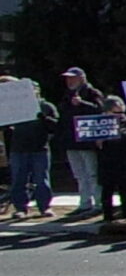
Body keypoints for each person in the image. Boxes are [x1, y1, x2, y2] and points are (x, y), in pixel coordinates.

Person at [3, 77, 58, 218]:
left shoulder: (46, 106)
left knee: (41, 180)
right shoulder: (14, 107)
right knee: (19, 180)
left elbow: (56, 126)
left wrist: (44, 118)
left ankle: (45, 207)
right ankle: (20, 208)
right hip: (18, 148)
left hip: (40, 148)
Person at [59, 66, 105, 214]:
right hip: (71, 140)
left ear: (82, 78)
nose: (69, 81)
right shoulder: (67, 95)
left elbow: (101, 110)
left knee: (92, 173)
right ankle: (84, 203)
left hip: (88, 141)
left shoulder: (92, 92)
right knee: (79, 175)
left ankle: (99, 202)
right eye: (68, 78)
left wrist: (82, 103)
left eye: (72, 78)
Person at [96, 95, 126, 223]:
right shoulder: (99, 123)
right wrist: (98, 142)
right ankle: (107, 214)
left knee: (125, 188)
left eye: (121, 112)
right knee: (107, 189)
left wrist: (119, 134)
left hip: (124, 160)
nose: (120, 115)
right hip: (107, 161)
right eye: (116, 112)